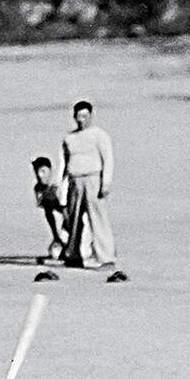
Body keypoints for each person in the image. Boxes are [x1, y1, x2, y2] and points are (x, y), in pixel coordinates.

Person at [59, 100, 115, 271]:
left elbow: (108, 159)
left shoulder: (99, 135)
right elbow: (63, 163)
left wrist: (105, 183)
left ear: (90, 116)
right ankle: (72, 254)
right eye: (78, 116)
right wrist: (60, 186)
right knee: (73, 220)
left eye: (85, 116)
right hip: (74, 180)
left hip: (93, 179)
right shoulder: (69, 138)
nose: (82, 119)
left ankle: (106, 258)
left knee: (98, 219)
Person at [30, 156, 68, 264]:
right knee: (55, 252)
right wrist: (56, 236)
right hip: (67, 219)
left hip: (78, 218)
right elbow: (48, 210)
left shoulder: (58, 184)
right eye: (37, 171)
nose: (39, 175)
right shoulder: (39, 188)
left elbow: (67, 209)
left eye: (43, 171)